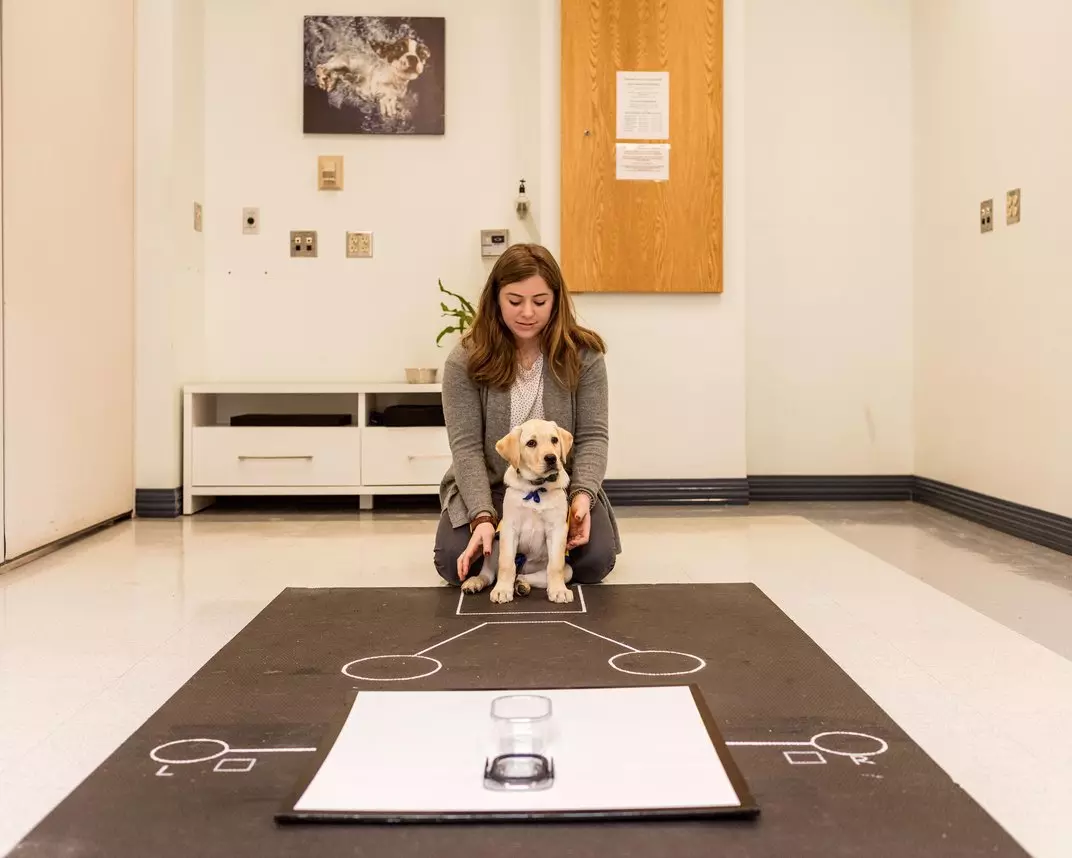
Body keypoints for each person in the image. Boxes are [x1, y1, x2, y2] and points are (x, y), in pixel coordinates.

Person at [434, 243, 621, 587]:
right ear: (496, 299)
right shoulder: (464, 360)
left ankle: (531, 568)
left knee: (595, 561)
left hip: (559, 489)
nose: (527, 313)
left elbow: (594, 436)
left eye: (539, 301)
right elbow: (466, 449)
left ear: (556, 299)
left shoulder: (585, 356)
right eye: (514, 301)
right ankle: (513, 559)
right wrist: (482, 516)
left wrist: (581, 497)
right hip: (491, 488)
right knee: (452, 562)